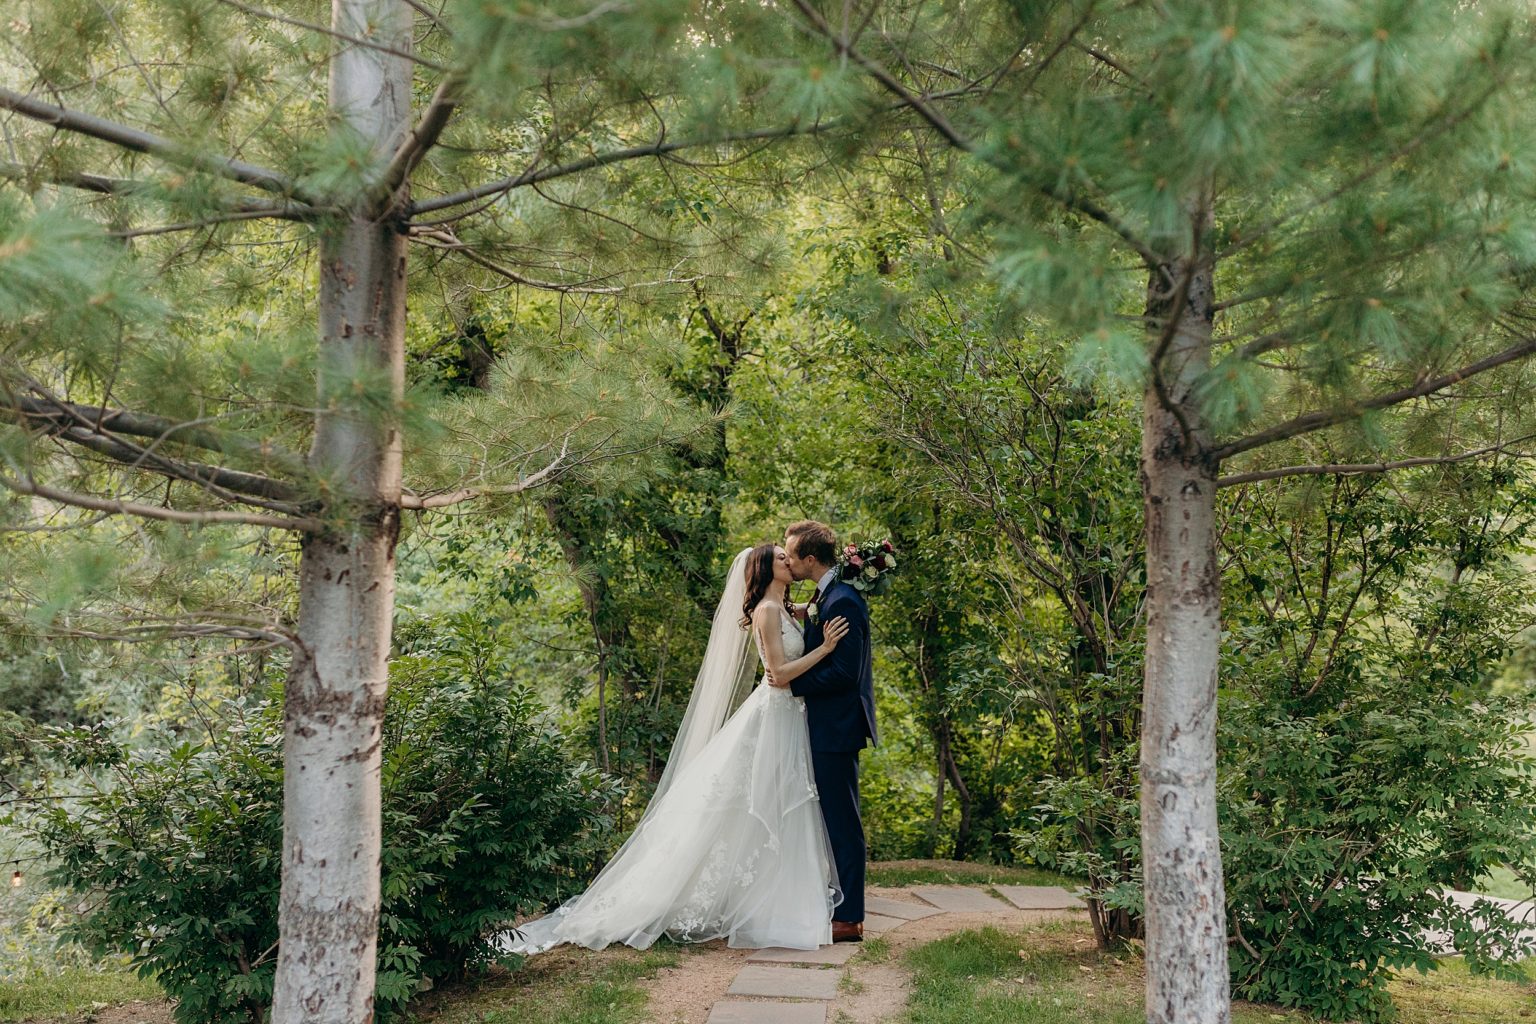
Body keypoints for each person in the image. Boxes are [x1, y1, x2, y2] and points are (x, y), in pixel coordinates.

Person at [498, 544, 850, 953]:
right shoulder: (767, 611)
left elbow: (807, 619)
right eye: (780, 558)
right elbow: (778, 673)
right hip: (774, 715)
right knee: (757, 804)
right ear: (765, 569)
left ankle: (773, 901)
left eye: (788, 557)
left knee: (774, 805)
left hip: (789, 717)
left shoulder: (785, 609)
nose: (789, 561)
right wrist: (825, 649)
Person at [771, 520, 876, 943]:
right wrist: (801, 615)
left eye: (791, 556)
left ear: (810, 559)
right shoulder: (825, 595)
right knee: (827, 818)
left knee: (843, 821)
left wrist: (791, 685)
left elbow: (845, 673)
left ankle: (849, 918)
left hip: (836, 727)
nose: (788, 562)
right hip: (823, 724)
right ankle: (835, 903)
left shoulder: (843, 601)